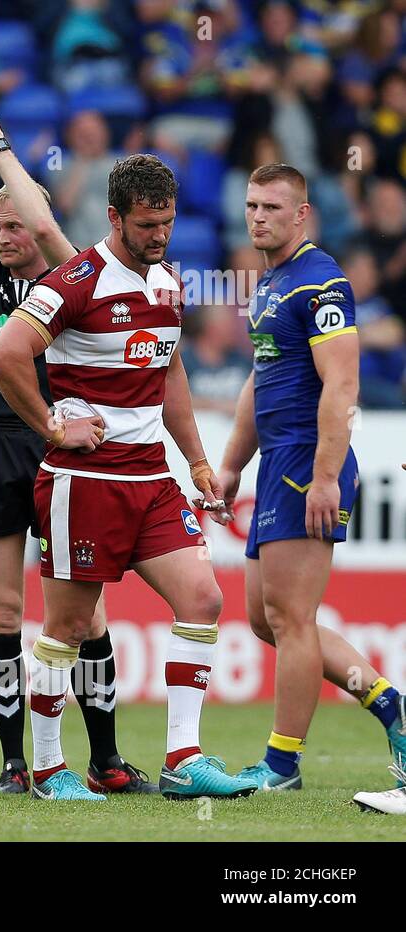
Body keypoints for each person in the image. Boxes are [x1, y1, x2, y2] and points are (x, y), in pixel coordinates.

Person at [0, 72, 155, 795]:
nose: (4, 238)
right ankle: (17, 765)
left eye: (16, 226)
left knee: (86, 612)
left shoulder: (76, 277)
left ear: (37, 225)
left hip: (65, 446)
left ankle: (104, 758)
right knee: (4, 611)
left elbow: (46, 225)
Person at [0, 153, 258, 802]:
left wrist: (195, 459)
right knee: (68, 630)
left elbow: (170, 372)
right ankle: (50, 770)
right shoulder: (75, 280)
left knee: (204, 600)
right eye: (145, 225)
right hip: (84, 482)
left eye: (166, 222)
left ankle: (183, 759)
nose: (159, 235)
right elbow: (5, 354)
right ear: (114, 218)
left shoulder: (168, 282)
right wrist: (52, 425)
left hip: (152, 478)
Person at [216, 163, 406, 791]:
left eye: (272, 207)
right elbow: (258, 379)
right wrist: (231, 464)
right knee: (265, 619)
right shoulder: (270, 284)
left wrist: (327, 475)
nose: (258, 216)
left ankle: (281, 764)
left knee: (291, 616)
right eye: (251, 206)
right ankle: (384, 701)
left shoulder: (322, 281)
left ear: (302, 214)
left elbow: (343, 383)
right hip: (275, 463)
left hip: (306, 462)